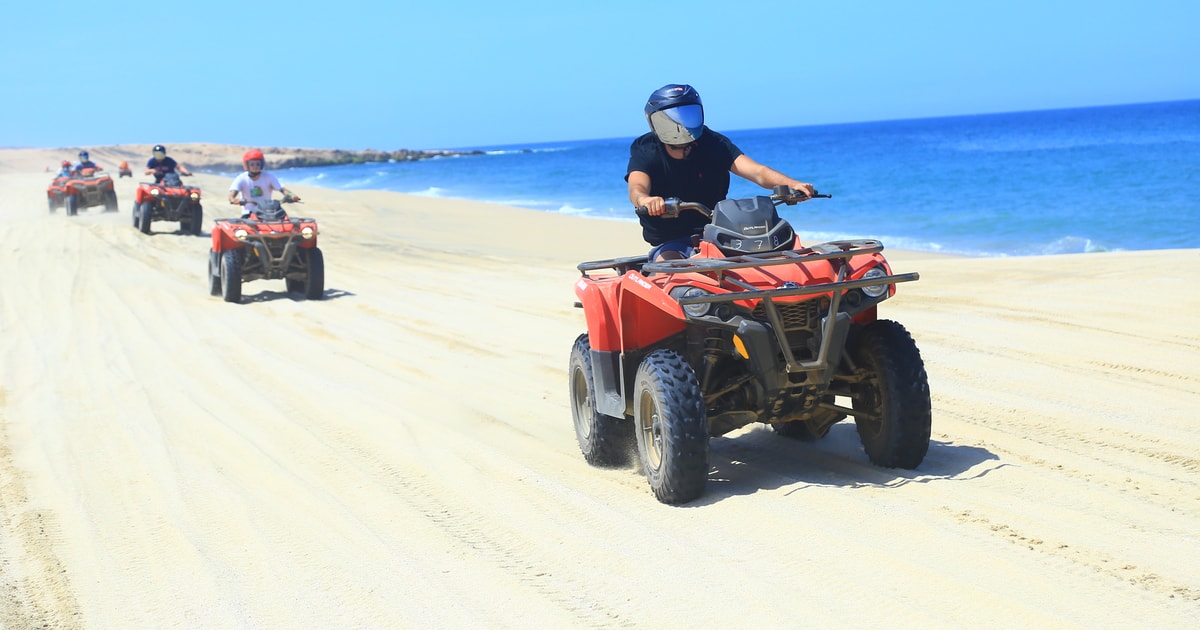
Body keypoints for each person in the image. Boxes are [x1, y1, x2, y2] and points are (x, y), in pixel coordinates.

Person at [626, 84, 817, 261]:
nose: (682, 125)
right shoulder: (646, 149)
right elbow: (637, 185)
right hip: (672, 241)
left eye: (687, 115)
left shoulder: (713, 143)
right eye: (673, 119)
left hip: (720, 233)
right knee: (667, 271)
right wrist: (645, 200)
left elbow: (757, 171)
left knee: (779, 260)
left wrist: (792, 184)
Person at [227, 149, 300, 218]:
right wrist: (234, 200)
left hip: (268, 212)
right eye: (252, 164)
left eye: (258, 164)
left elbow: (282, 189)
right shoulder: (241, 178)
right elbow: (232, 195)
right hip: (249, 213)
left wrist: (291, 195)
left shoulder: (269, 177)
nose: (255, 166)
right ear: (247, 165)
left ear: (261, 164)